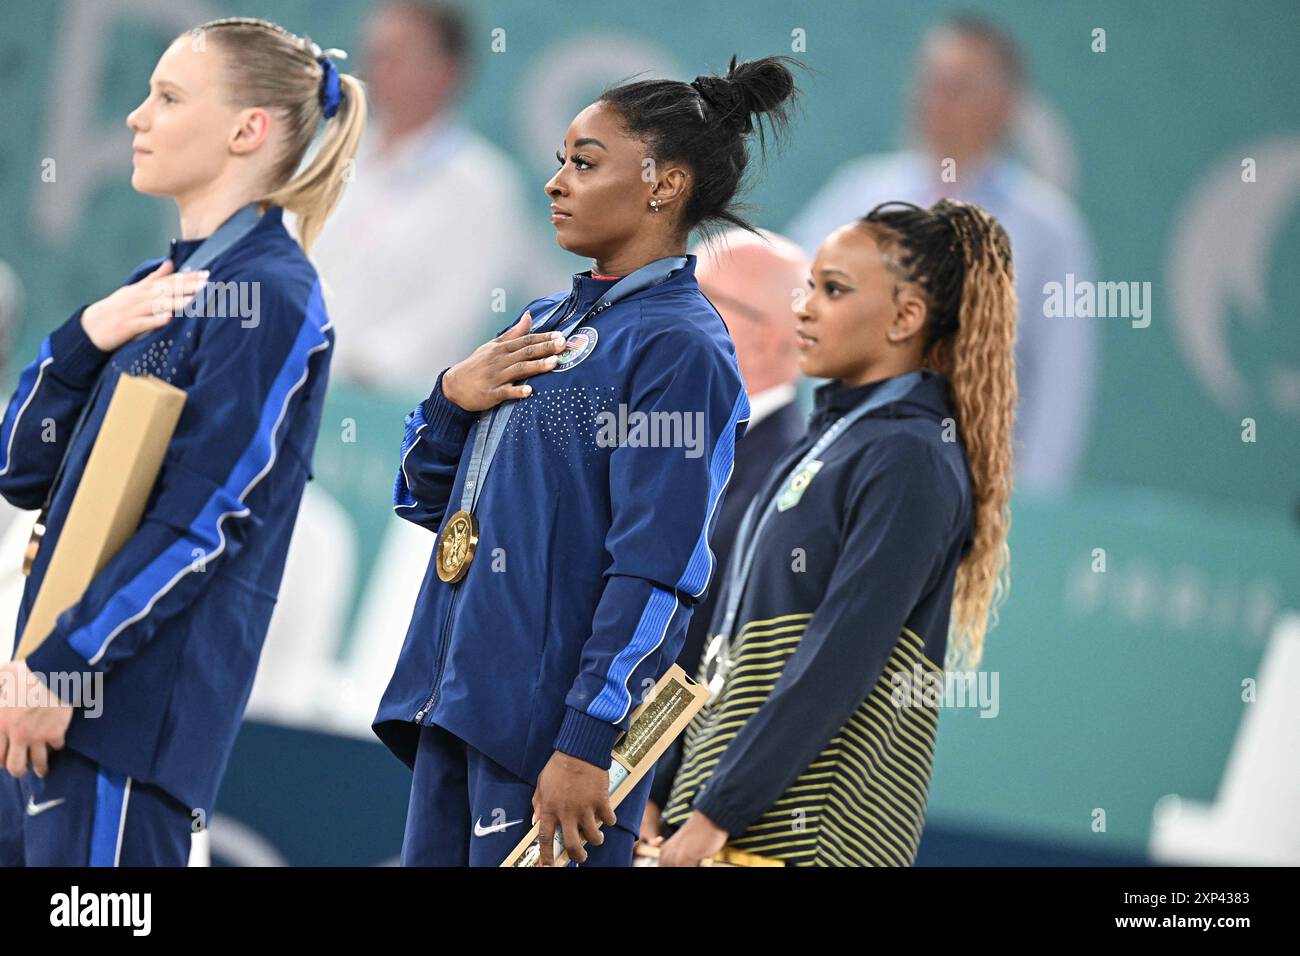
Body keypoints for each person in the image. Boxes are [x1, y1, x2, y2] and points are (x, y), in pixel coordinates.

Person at [373, 54, 802, 867]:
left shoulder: (682, 348)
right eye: (562, 159)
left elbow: (658, 565)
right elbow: (430, 501)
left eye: (584, 161)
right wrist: (449, 398)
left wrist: (587, 737)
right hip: (457, 711)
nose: (555, 182)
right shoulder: (545, 322)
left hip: (549, 748)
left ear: (662, 185)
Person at [0, 16, 365, 866]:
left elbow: (207, 518)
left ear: (249, 130)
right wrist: (82, 338)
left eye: (167, 97)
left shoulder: (273, 296)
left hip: (120, 728)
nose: (135, 117)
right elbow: (20, 469)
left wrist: (65, 663)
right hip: (41, 704)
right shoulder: (155, 287)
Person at [654, 199, 1016, 866]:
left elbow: (842, 656)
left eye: (834, 290)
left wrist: (716, 812)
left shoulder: (910, 458)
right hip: (719, 821)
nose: (806, 308)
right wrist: (652, 783)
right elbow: (715, 643)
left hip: (799, 839)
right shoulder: (825, 443)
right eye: (809, 286)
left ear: (906, 318)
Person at [787, 14, 1093, 496]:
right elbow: (785, 302)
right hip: (839, 475)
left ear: (1004, 106)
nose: (937, 99)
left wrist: (1030, 507)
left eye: (959, 86)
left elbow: (1061, 381)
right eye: (931, 81)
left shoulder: (1047, 229)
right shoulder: (858, 194)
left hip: (966, 490)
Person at [642, 228, 808, 840]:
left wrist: (642, 789)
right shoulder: (656, 433)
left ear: (771, 339)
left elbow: (711, 660)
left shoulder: (787, 487)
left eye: (705, 302)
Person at [310, 0, 542, 395]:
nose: (375, 69)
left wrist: (355, 368)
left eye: (395, 56)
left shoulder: (485, 186)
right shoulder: (325, 154)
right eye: (373, 54)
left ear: (445, 72)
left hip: (388, 411)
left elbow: (452, 316)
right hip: (291, 389)